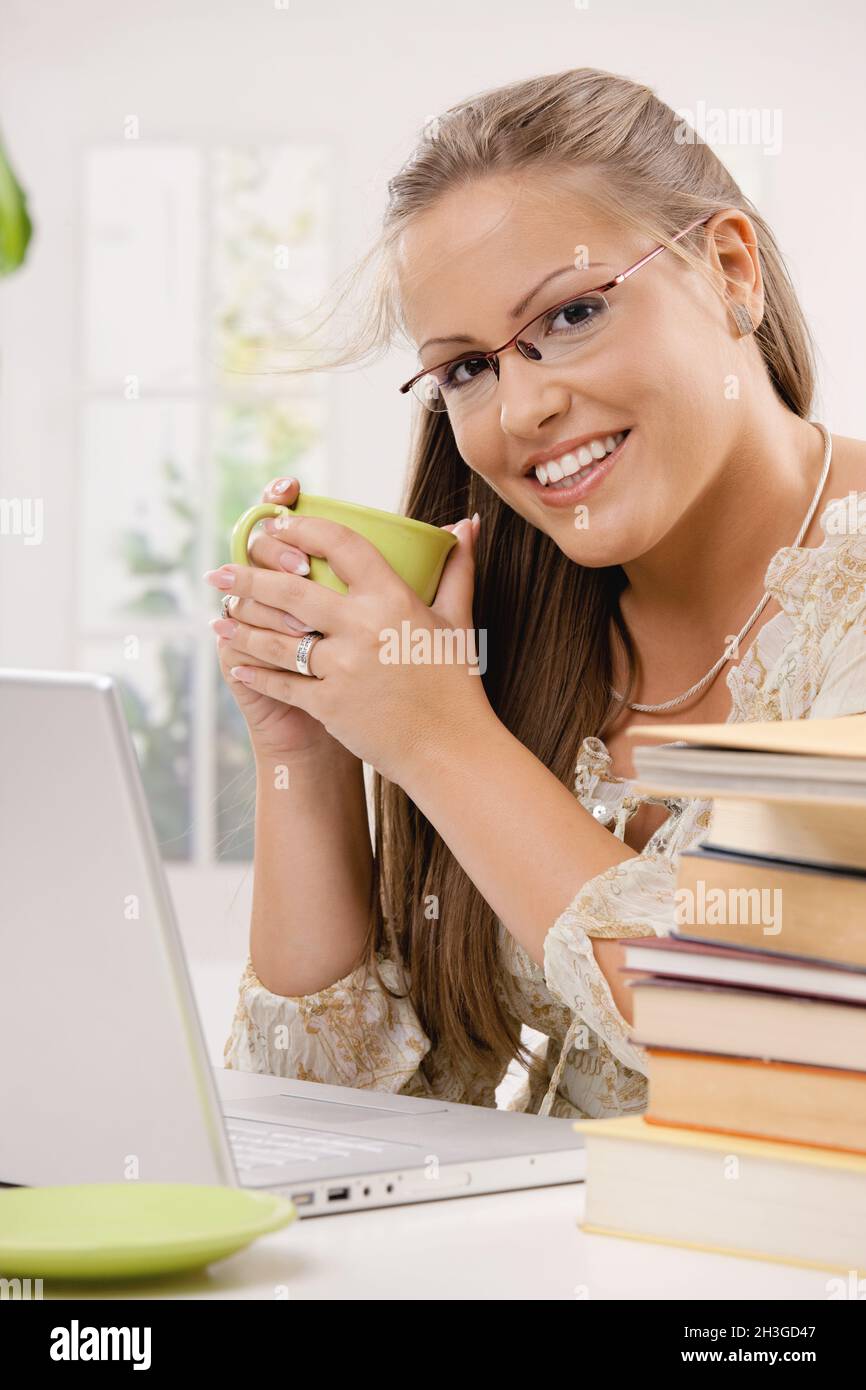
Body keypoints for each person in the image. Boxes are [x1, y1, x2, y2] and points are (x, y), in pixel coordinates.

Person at [209, 68, 866, 1119]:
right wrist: (311, 748)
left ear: (728, 269)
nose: (522, 409)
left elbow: (765, 1030)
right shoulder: (499, 627)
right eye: (466, 369)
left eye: (571, 314)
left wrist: (438, 741)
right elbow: (305, 1110)